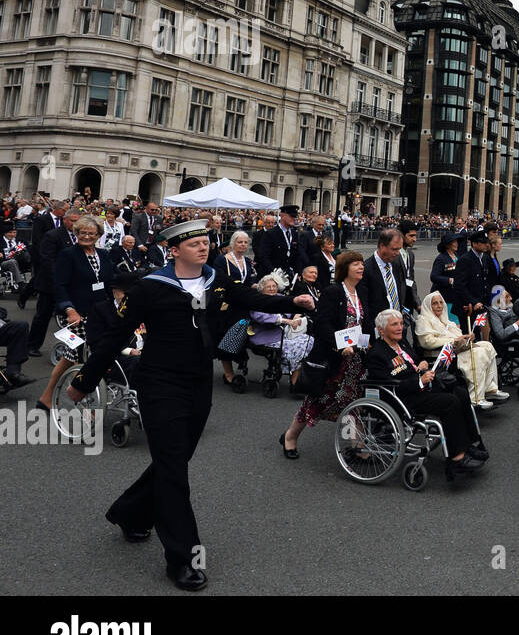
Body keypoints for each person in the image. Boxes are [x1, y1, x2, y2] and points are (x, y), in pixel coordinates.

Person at [68, 219, 314, 590]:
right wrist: (84, 381)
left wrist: (291, 300)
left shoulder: (216, 279)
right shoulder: (150, 287)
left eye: (205, 241)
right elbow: (113, 337)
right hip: (159, 384)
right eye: (195, 243)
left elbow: (252, 297)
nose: (203, 247)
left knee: (175, 460)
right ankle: (182, 557)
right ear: (175, 250)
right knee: (174, 471)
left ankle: (129, 513)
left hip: (199, 384)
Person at [365, 309, 486, 477]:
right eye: (394, 324)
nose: (400, 327)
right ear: (381, 329)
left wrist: (420, 365)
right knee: (450, 402)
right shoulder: (377, 353)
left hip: (420, 387)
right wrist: (419, 380)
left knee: (461, 392)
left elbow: (413, 363)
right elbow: (389, 383)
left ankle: (469, 444)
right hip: (403, 397)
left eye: (401, 323)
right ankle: (457, 458)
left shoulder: (402, 344)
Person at [281, 250, 367, 459]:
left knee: (350, 402)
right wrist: (340, 345)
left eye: (361, 263)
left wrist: (366, 342)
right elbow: (322, 324)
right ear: (344, 268)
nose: (361, 267)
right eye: (355, 263)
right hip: (333, 357)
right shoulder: (333, 292)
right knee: (316, 401)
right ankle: (290, 437)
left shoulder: (361, 292)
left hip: (355, 360)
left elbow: (365, 322)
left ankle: (353, 443)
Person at [35, 214, 117, 410]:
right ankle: (83, 401)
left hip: (98, 313)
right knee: (81, 356)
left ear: (98, 235)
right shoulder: (68, 255)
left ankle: (46, 397)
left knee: (73, 357)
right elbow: (60, 285)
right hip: (74, 314)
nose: (86, 236)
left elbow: (110, 283)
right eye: (82, 232)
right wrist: (70, 310)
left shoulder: (104, 255)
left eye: (91, 233)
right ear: (76, 233)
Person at [415, 291, 505, 410]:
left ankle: (489, 387)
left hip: (459, 348)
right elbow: (427, 342)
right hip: (443, 354)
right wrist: (454, 340)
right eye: (435, 303)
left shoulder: (446, 320)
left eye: (441, 302)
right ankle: (475, 398)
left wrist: (468, 337)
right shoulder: (423, 320)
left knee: (487, 345)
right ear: (428, 306)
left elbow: (459, 336)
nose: (439, 306)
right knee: (479, 353)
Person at [29, 208, 78, 356]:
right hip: (50, 284)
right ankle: (32, 345)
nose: (75, 224)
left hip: (71, 285)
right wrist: (59, 279)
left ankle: (72, 348)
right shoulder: (52, 235)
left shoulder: (80, 236)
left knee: (73, 318)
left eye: (78, 221)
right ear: (65, 220)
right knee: (43, 316)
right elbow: (47, 260)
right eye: (72, 221)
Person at [247, 273, 314, 382]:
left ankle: (295, 375)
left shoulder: (279, 297)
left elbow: (289, 308)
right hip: (265, 337)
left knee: (308, 340)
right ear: (261, 289)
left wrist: (295, 315)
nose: (272, 289)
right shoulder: (258, 300)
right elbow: (260, 317)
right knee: (298, 346)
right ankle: (294, 380)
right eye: (268, 287)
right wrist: (285, 320)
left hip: (283, 335)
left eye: (274, 286)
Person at [213, 230, 257, 388]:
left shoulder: (247, 260)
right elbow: (219, 281)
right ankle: (228, 373)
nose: (243, 245)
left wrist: (258, 285)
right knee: (227, 336)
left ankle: (240, 359)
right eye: (240, 242)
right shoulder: (222, 260)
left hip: (244, 303)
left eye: (246, 242)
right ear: (233, 243)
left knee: (243, 334)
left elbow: (250, 280)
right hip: (228, 305)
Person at [360, 228, 418, 339]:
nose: (397, 253)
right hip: (378, 331)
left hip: (398, 328)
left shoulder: (395, 265)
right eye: (394, 249)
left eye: (399, 249)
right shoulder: (366, 269)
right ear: (382, 246)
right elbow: (365, 306)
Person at [429, 231, 466, 330]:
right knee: (450, 326)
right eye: (454, 241)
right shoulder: (441, 259)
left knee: (456, 326)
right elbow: (434, 276)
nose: (457, 243)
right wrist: (449, 280)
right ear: (448, 244)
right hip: (445, 298)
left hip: (456, 298)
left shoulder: (457, 257)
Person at [262, 205, 300, 277]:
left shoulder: (294, 234)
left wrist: (297, 272)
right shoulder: (270, 234)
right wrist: (274, 271)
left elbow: (296, 255)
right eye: (291, 216)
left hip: (289, 275)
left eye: (295, 217)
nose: (294, 219)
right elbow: (264, 256)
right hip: (273, 275)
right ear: (282, 215)